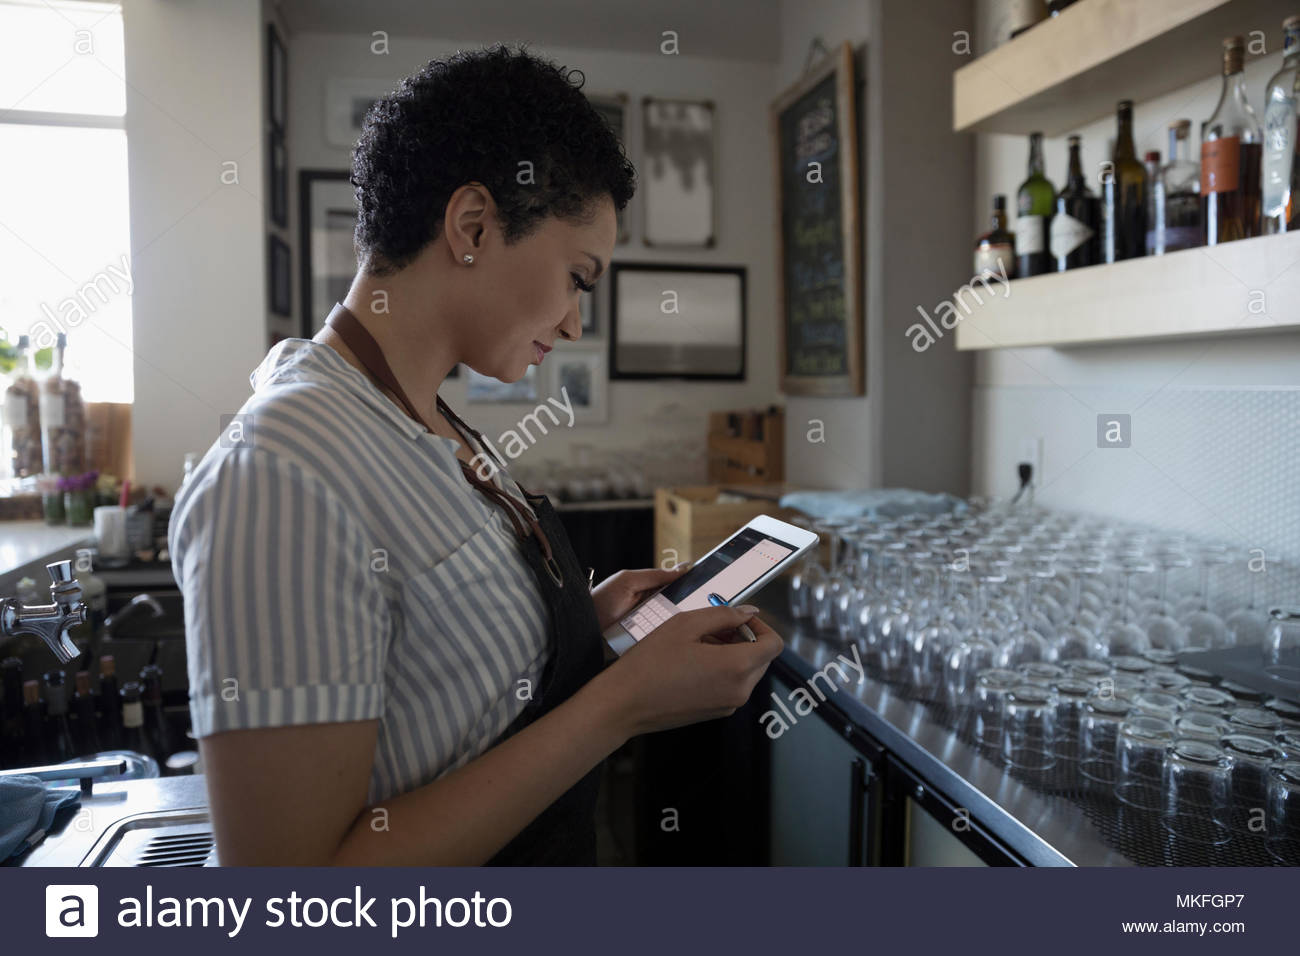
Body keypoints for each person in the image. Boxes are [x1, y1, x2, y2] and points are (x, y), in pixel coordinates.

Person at [168, 43, 783, 866]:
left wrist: (586, 629)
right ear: (472, 226)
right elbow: (289, 899)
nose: (573, 323)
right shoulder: (281, 471)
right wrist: (621, 707)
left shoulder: (430, 420)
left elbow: (435, 684)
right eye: (577, 277)